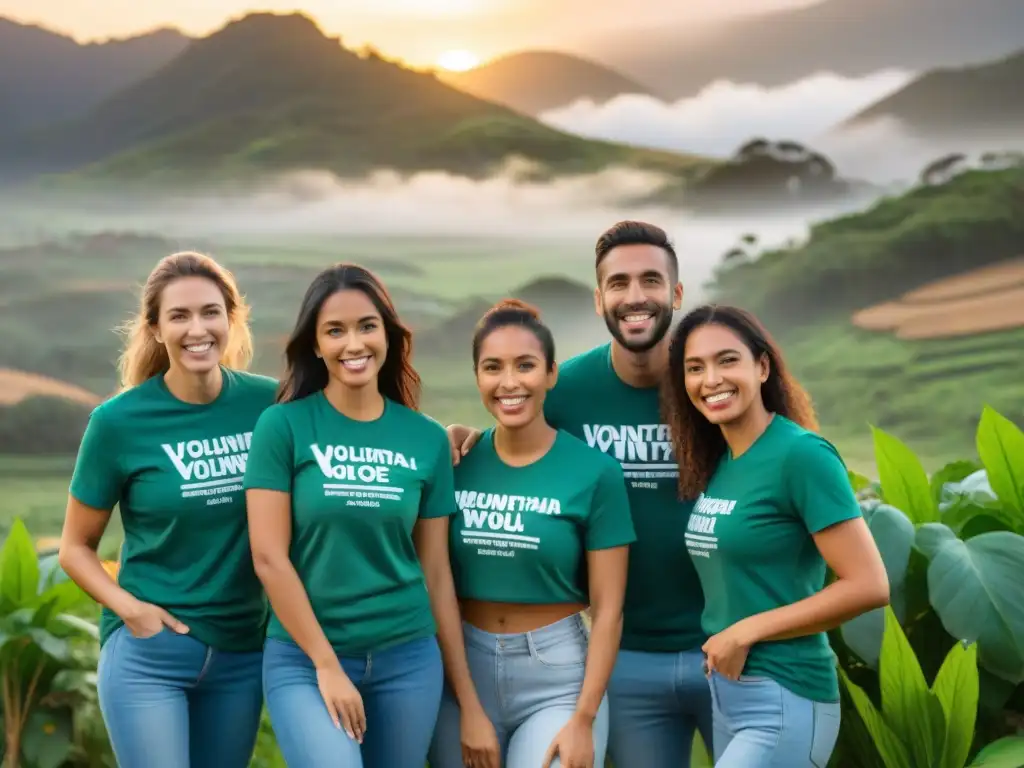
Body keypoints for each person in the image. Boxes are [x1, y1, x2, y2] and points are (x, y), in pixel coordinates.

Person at [447, 221, 713, 766]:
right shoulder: (564, 389)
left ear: (677, 294)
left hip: (721, 637)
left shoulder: (709, 386)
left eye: (650, 281)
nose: (635, 297)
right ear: (599, 299)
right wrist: (458, 441)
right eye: (619, 283)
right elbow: (514, 430)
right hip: (625, 652)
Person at [243, 263, 470, 768]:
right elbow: (268, 557)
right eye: (335, 331)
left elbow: (435, 571)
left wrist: (465, 691)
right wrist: (326, 664)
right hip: (306, 658)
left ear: (388, 334)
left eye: (367, 326)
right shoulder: (283, 426)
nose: (354, 343)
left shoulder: (426, 438)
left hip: (408, 658)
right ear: (316, 345)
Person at [58, 251, 277, 768]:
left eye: (210, 312)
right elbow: (74, 548)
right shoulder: (118, 422)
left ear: (231, 319)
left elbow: (359, 427)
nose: (196, 328)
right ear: (155, 329)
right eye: (179, 316)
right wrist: (133, 613)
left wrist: (449, 437)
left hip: (242, 653)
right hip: (150, 655)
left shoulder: (271, 404)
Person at [662, 303, 890, 767]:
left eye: (727, 360)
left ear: (761, 366)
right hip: (730, 694)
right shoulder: (723, 463)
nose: (711, 380)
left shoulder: (802, 456)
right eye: (695, 368)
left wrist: (745, 631)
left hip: (787, 695)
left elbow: (869, 585)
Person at [429, 299, 636, 768]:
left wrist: (583, 719)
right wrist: (466, 702)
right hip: (463, 667)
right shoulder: (457, 462)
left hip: (558, 676)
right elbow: (437, 584)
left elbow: (608, 611)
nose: (509, 382)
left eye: (525, 365)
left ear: (550, 374)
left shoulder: (595, 472)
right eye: (492, 367)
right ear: (477, 376)